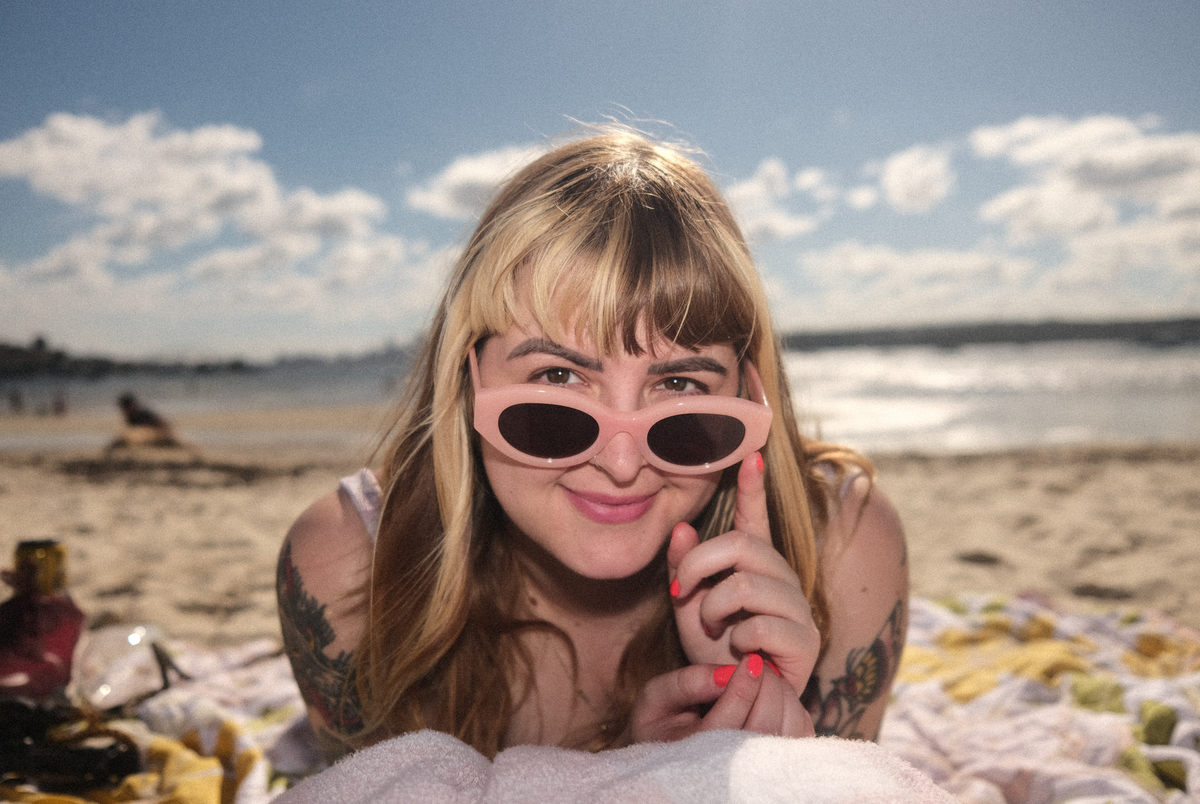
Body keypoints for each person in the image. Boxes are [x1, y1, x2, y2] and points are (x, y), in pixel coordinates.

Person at [277, 129, 908, 765]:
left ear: (749, 395)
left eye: (679, 385)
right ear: (465, 384)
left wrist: (754, 762)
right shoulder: (349, 566)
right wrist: (645, 770)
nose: (623, 463)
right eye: (557, 380)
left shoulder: (844, 549)